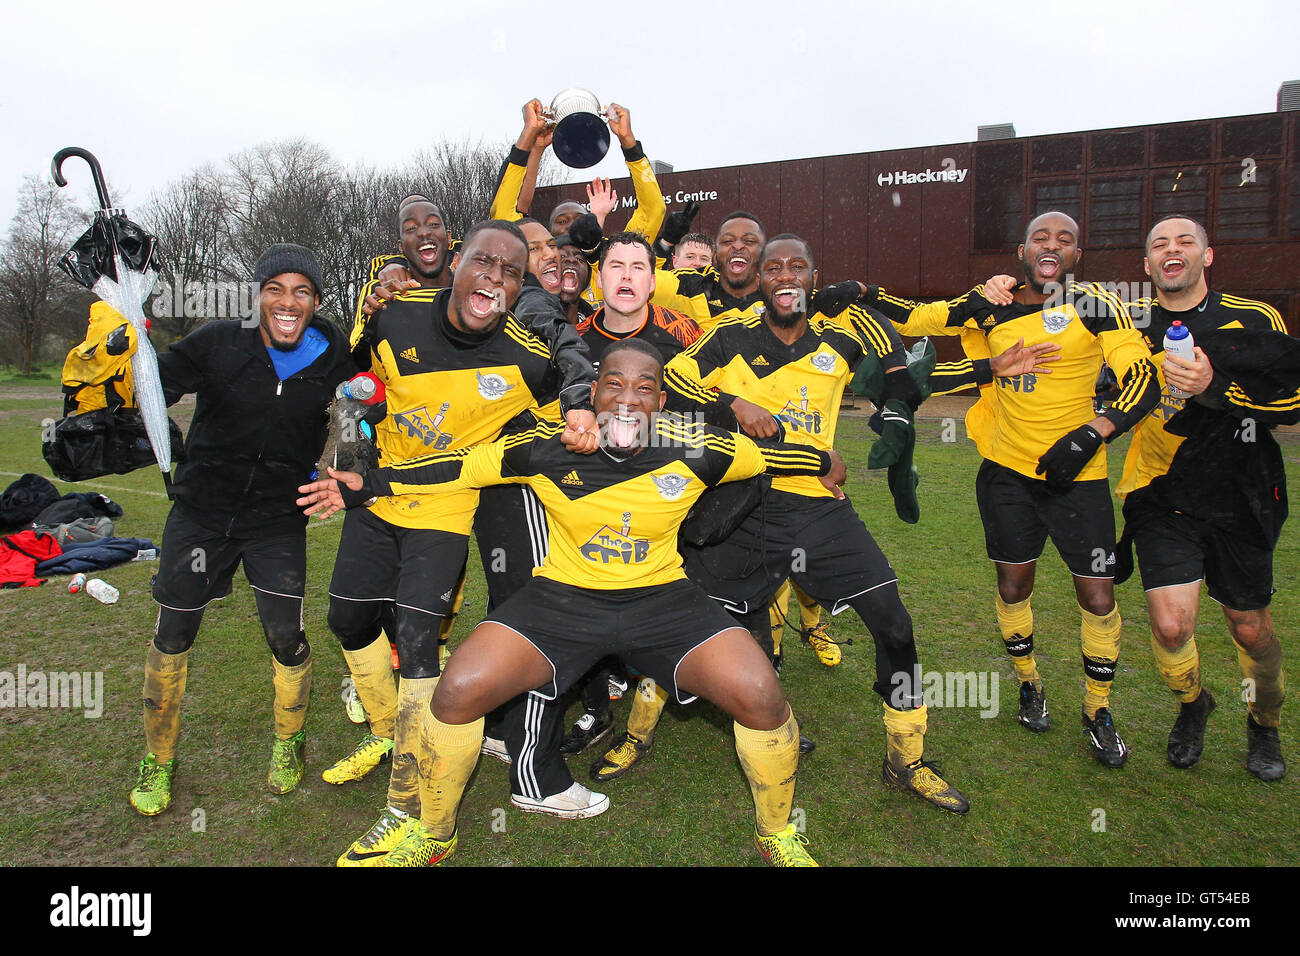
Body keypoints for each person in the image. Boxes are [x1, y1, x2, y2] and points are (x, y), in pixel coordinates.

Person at [298, 338, 847, 866]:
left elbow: (772, 457)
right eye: (614, 384)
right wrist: (366, 484)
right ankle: (434, 833)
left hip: (663, 601)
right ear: (592, 394)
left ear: (661, 399)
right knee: (459, 691)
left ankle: (776, 834)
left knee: (761, 694)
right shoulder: (546, 447)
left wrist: (825, 462)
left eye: (644, 387)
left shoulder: (700, 447)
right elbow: (458, 467)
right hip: (561, 599)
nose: (628, 398)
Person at [596, 234, 969, 813]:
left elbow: (904, 362)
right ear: (761, 279)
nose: (785, 275)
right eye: (774, 267)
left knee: (894, 624)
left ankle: (907, 757)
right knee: (683, 624)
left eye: (798, 266)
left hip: (820, 507)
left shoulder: (843, 332)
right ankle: (637, 732)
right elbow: (671, 382)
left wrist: (897, 405)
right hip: (741, 506)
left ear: (814, 276)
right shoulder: (732, 333)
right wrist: (734, 407)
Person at [326, 221, 603, 866]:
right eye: (484, 263)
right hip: (378, 496)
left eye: (511, 271)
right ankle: (387, 730)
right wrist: (347, 449)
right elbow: (352, 390)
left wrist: (582, 404)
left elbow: (569, 359)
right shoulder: (397, 316)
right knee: (347, 618)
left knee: (421, 652)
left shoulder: (526, 355)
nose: (496, 279)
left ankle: (416, 816)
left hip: (444, 511)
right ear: (456, 266)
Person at [860, 212, 1160, 767]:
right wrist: (862, 290)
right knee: (1014, 587)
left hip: (1078, 476)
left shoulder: (1095, 304)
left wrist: (1090, 435)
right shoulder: (990, 301)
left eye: (1066, 240)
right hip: (1005, 474)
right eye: (1042, 238)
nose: (1053, 246)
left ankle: (1098, 709)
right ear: (1022, 250)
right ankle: (1029, 684)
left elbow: (1143, 378)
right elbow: (915, 317)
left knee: (1098, 595)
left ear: (1077, 255)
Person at [127, 244, 356, 816]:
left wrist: (346, 468)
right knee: (173, 636)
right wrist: (126, 333)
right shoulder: (218, 341)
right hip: (201, 512)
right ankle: (158, 759)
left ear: (316, 301)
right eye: (274, 288)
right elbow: (150, 385)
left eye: (301, 290)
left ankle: (289, 742)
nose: (287, 301)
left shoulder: (334, 359)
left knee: (285, 637)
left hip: (277, 521)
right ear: (257, 297)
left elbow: (368, 415)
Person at [1117, 215, 1300, 779]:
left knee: (1251, 628)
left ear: (1207, 256)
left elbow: (1289, 403)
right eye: (1159, 246)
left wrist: (1214, 388)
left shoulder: (1252, 317)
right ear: (1147, 266)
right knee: (1171, 627)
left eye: (1185, 241)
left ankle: (1264, 723)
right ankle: (1194, 705)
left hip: (1239, 496)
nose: (1173, 251)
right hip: (1161, 495)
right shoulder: (1132, 327)